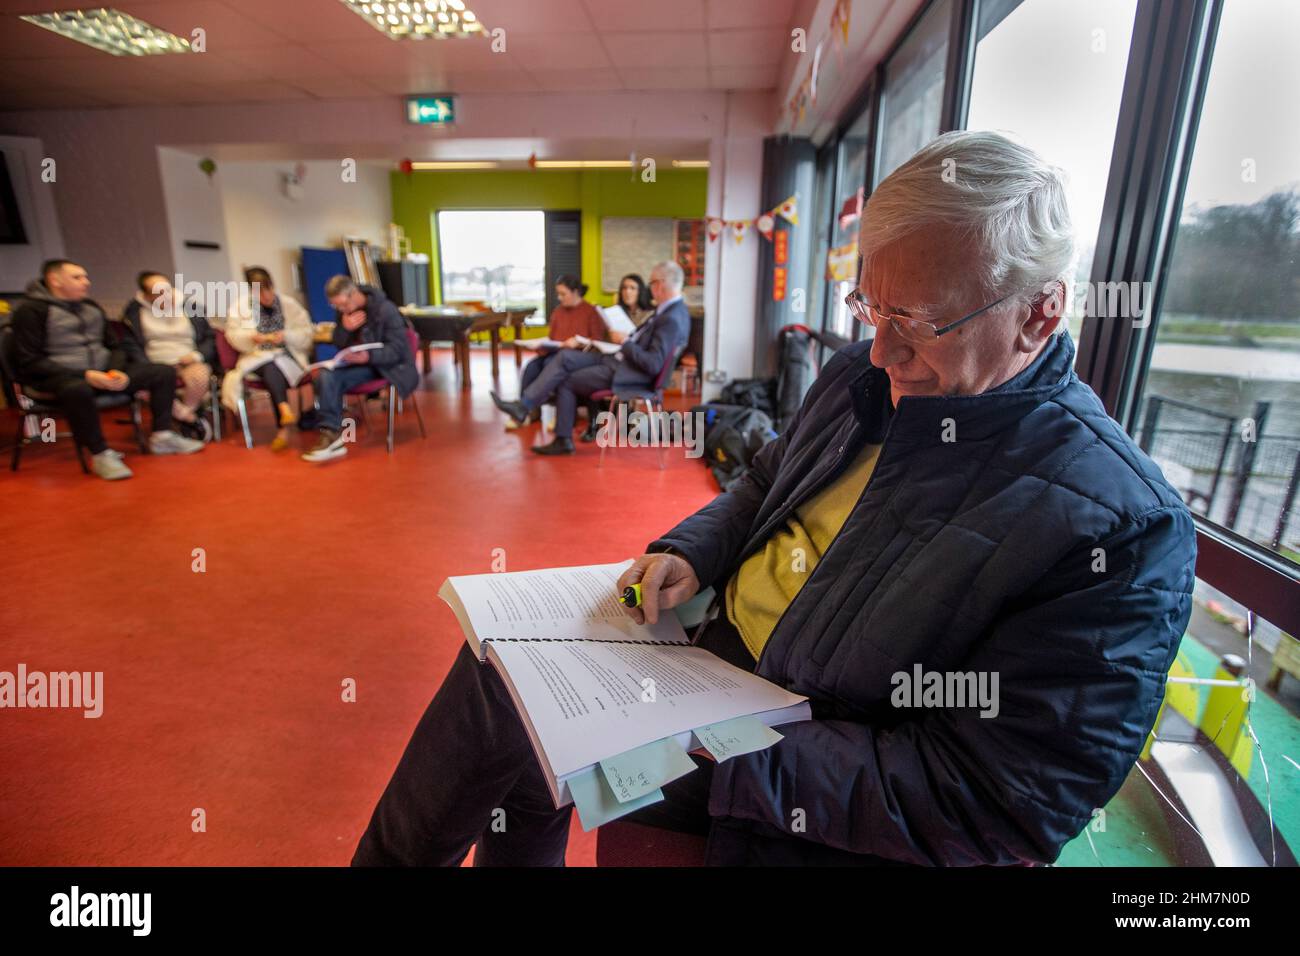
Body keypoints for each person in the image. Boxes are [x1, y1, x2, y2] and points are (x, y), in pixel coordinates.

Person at [352, 132, 1196, 867]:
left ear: (1039, 314)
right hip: (700, 662)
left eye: (920, 319)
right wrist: (693, 549)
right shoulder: (855, 379)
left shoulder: (1121, 526)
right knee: (502, 667)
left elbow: (1000, 797)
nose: (881, 349)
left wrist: (711, 742)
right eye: (869, 303)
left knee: (522, 732)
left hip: (778, 759)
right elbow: (763, 484)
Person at [11, 259, 205, 480]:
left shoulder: (90, 307)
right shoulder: (31, 311)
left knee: (161, 372)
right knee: (77, 389)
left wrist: (115, 370)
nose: (86, 282)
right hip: (59, 377)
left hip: (103, 373)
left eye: (85, 276)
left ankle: (162, 436)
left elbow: (115, 346)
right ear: (55, 280)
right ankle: (100, 454)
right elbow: (29, 361)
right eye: (77, 277)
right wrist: (86, 375)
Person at [489, 261, 691, 455]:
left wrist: (625, 342)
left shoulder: (671, 318)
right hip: (619, 360)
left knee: (566, 379)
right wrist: (627, 340)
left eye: (651, 283)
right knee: (566, 357)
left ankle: (561, 439)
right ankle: (523, 406)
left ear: (660, 285)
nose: (650, 288)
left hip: (628, 372)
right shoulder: (671, 312)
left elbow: (653, 364)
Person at [303, 275, 418, 463]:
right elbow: (338, 343)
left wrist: (369, 356)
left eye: (342, 305)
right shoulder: (345, 313)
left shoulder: (385, 310)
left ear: (354, 294)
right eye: (336, 307)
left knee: (330, 380)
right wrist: (344, 329)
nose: (341, 310)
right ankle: (331, 433)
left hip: (384, 367)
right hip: (357, 364)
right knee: (324, 376)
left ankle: (331, 435)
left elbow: (398, 350)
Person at [222, 267, 314, 452]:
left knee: (273, 368)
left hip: (287, 355)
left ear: (272, 285)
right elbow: (232, 335)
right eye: (259, 292)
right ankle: (284, 415)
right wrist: (251, 337)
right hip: (255, 357)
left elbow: (306, 331)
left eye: (268, 289)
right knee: (269, 365)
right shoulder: (240, 308)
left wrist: (286, 335)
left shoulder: (289, 304)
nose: (265, 296)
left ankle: (283, 418)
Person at [120, 271, 218, 443]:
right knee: (146, 388)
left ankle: (183, 415)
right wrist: (149, 366)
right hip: (155, 364)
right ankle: (190, 420)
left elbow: (209, 337)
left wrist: (196, 355)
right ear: (147, 295)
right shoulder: (134, 314)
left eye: (168, 289)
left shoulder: (190, 308)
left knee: (200, 376)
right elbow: (131, 347)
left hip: (189, 360)